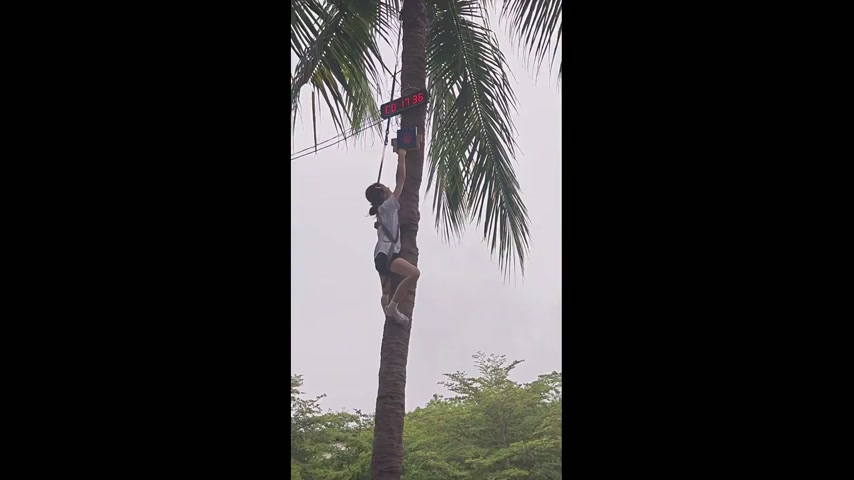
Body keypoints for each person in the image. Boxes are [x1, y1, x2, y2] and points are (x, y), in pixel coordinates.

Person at [365, 148, 421, 325]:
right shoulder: (388, 206)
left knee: (385, 292)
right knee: (414, 274)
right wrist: (402, 156)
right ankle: (392, 309)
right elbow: (401, 179)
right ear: (382, 194)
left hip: (380, 255)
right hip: (388, 255)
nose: (389, 188)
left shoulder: (382, 213)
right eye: (385, 188)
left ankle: (389, 313)